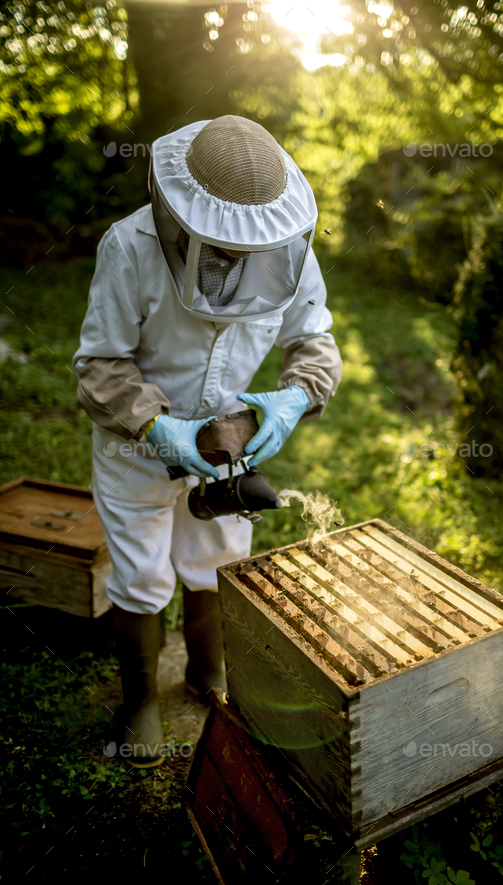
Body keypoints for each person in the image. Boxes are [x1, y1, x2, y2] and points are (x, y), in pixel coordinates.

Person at [73, 115, 342, 767]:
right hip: (136, 444)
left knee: (218, 558)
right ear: (178, 222)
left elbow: (315, 342)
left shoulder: (286, 246)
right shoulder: (129, 247)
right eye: (222, 249)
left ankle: (205, 669)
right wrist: (157, 426)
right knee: (140, 571)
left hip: (227, 448)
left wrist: (293, 396)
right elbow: (100, 364)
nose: (238, 265)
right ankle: (139, 702)